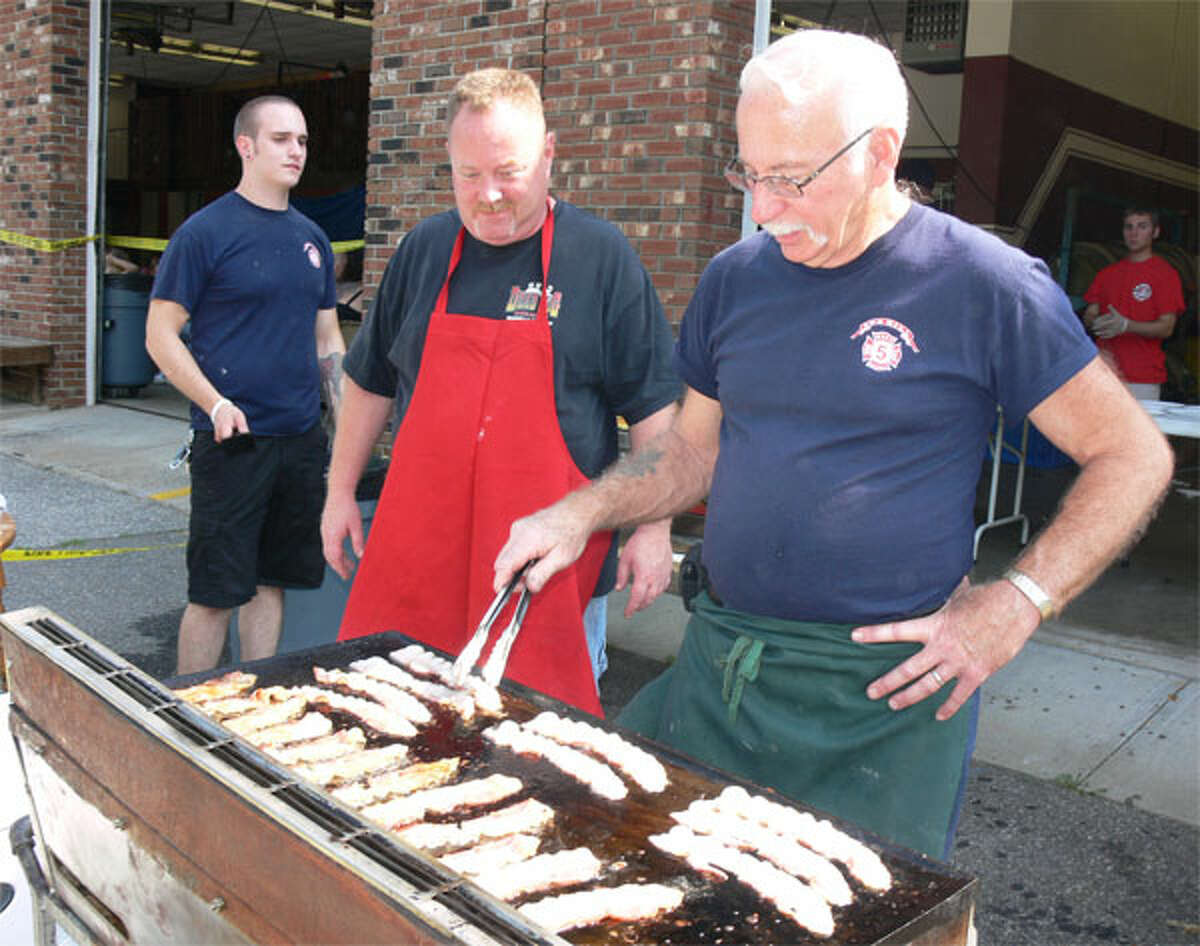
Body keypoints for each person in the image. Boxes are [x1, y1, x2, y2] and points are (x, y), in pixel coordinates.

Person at [492, 30, 1173, 858]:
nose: (764, 206)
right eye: (749, 173)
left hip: (883, 698)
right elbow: (690, 458)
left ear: (881, 153)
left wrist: (1018, 602)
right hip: (722, 665)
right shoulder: (734, 279)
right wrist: (578, 513)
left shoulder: (984, 284)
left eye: (791, 178)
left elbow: (1135, 455)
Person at [322, 68, 679, 716]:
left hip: (547, 577)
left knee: (540, 756)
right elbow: (369, 380)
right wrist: (339, 490)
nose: (488, 195)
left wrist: (654, 529)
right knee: (390, 726)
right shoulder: (424, 250)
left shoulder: (601, 258)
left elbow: (656, 409)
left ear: (548, 153)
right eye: (467, 174)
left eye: (507, 172)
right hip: (418, 563)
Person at [146, 94, 344, 675]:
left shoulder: (313, 240)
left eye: (303, 140)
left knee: (271, 583)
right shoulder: (204, 233)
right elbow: (160, 335)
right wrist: (214, 403)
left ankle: (254, 702)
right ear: (246, 145)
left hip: (300, 441)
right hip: (233, 441)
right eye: (282, 139)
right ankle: (186, 713)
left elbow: (328, 340)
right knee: (213, 593)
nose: (296, 151)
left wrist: (345, 419)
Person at [1083, 207, 1184, 400]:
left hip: (1143, 379)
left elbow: (1167, 327)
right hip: (1103, 374)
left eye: (1142, 226)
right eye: (1128, 227)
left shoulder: (1165, 274)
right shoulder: (1107, 274)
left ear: (1155, 232)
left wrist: (1126, 325)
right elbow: (1091, 313)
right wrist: (1093, 320)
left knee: (1133, 431)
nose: (1134, 233)